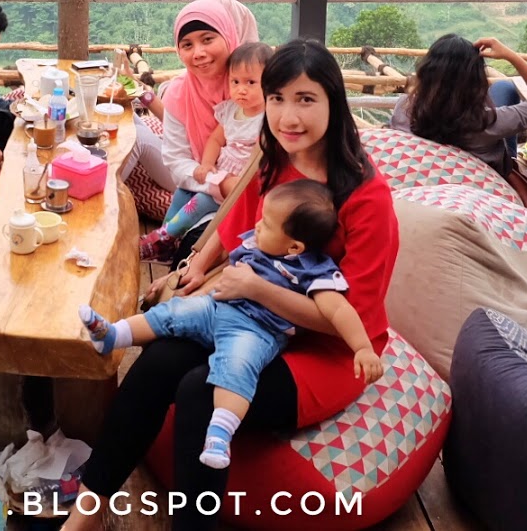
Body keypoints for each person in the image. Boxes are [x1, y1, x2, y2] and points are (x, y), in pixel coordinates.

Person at [61, 40, 399, 531]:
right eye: (277, 98)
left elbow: (357, 318)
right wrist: (199, 265)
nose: (288, 116)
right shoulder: (276, 159)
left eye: (306, 99)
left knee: (201, 390)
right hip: (251, 322)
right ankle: (83, 517)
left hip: (327, 351)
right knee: (158, 360)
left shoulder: (368, 198)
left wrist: (256, 290)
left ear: (334, 102)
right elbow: (234, 221)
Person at [82, 180, 383, 470]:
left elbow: (340, 311)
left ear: (294, 247)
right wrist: (197, 270)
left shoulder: (314, 272)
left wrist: (363, 348)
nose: (258, 225)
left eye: (266, 223)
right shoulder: (262, 241)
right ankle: (113, 335)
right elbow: (227, 233)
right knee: (172, 314)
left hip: (255, 331)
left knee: (236, 369)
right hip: (218, 307)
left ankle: (220, 434)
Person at [125, 0, 260, 216]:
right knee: (128, 122)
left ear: (229, 35)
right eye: (187, 45)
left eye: (208, 40)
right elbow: (177, 161)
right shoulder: (181, 92)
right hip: (198, 179)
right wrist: (220, 182)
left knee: (136, 136)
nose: (198, 53)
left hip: (240, 196)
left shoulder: (258, 89)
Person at [139, 42, 272, 263]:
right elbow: (216, 139)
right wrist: (207, 164)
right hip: (219, 174)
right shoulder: (231, 110)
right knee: (182, 192)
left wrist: (242, 181)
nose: (241, 89)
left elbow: (263, 157)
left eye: (251, 83)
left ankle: (165, 237)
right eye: (235, 82)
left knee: (201, 199)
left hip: (241, 184)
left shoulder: (267, 118)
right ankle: (164, 237)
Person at [390, 35, 527, 176]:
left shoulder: (404, 108)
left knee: (503, 88)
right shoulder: (488, 123)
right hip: (484, 180)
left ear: (424, 73)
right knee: (506, 88)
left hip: (428, 172)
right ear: (476, 80)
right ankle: (512, 157)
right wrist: (511, 56)